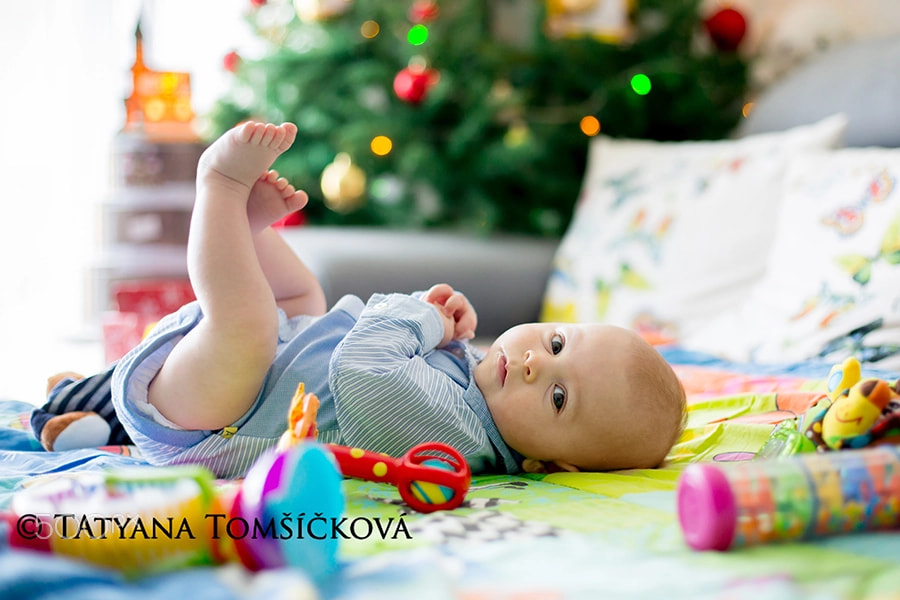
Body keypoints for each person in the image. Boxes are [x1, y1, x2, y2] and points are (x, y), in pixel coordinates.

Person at [31, 121, 686, 479]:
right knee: (300, 297)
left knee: (251, 322)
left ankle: (219, 192)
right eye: (557, 342)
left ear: (553, 462)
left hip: (220, 419)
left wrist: (421, 318)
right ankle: (249, 235)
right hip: (258, 380)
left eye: (559, 398)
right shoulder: (480, 396)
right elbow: (379, 350)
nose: (540, 363)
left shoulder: (456, 437)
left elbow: (362, 368)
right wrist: (449, 332)